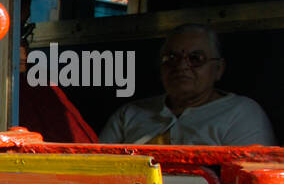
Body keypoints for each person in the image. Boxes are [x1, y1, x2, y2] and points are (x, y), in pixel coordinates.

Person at [98, 24, 276, 145]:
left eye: (196, 58)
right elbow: (93, 170)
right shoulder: (129, 114)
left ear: (218, 69)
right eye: (171, 58)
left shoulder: (241, 113)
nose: (181, 66)